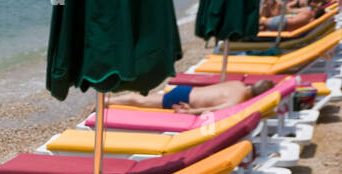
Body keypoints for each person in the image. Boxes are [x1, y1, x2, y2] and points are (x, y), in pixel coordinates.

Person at [116, 77, 276, 113]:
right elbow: (213, 109)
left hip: (187, 91)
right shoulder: (237, 100)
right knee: (140, 101)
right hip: (184, 99)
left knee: (142, 100)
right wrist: (188, 111)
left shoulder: (238, 84)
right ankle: (108, 101)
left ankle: (110, 100)